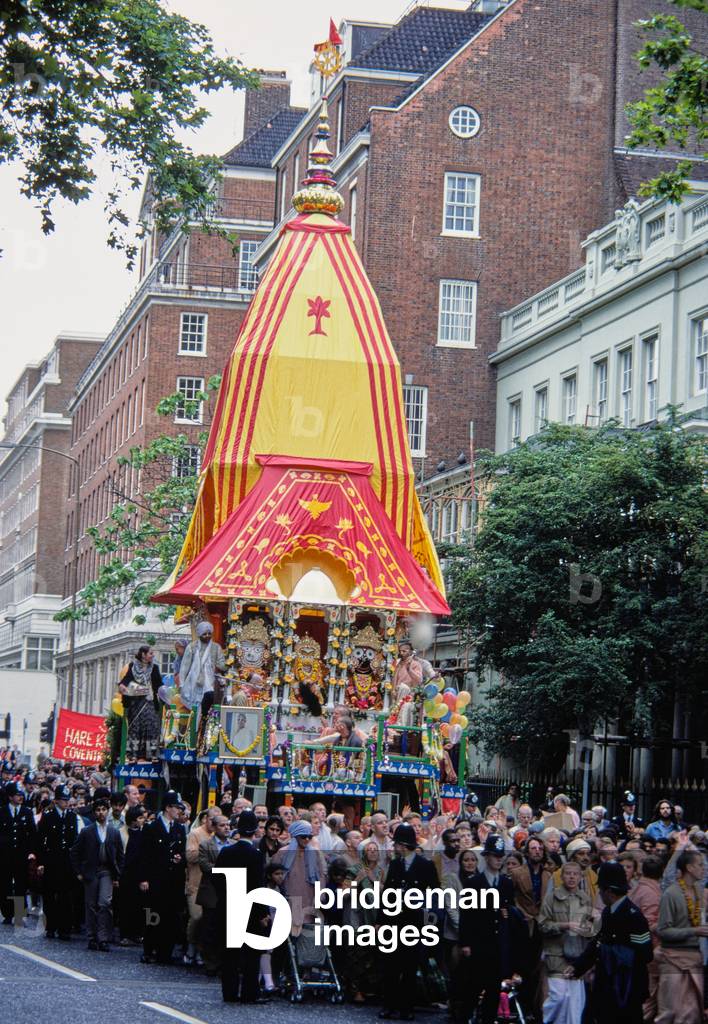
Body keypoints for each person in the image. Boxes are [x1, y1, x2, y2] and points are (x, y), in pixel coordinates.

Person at [569, 861, 652, 1024]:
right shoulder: (608, 912)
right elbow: (597, 942)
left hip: (627, 988)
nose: (599, 893)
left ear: (609, 892)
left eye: (600, 890)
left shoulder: (634, 916)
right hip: (608, 986)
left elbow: (645, 954)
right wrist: (578, 966)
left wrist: (615, 955)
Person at [378, 822, 439, 1021]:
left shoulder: (425, 865)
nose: (395, 848)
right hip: (394, 922)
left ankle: (406, 1007)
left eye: (397, 844)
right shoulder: (395, 865)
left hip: (414, 923)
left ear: (403, 845)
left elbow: (434, 895)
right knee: (391, 966)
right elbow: (387, 893)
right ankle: (389, 1005)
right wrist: (381, 919)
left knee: (410, 967)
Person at [212, 810, 268, 1004]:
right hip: (250, 908)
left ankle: (229, 992)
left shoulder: (226, 852)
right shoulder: (256, 855)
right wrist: (263, 913)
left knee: (230, 954)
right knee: (251, 955)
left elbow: (217, 878)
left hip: (228, 906)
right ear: (254, 831)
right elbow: (258, 884)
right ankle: (249, 993)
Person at [538, 861, 597, 1023]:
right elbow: (542, 925)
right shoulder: (551, 898)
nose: (572, 877)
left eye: (575, 874)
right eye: (568, 873)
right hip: (555, 954)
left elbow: (591, 929)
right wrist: (564, 926)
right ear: (562, 876)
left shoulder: (585, 899)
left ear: (580, 876)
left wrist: (588, 929)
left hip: (577, 955)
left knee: (575, 1003)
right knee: (558, 997)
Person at [655, 849, 706, 1023]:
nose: (704, 868)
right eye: (700, 865)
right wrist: (694, 931)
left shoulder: (699, 891)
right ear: (689, 868)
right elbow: (663, 930)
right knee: (671, 1011)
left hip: (695, 958)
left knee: (692, 1012)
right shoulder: (671, 893)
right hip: (673, 959)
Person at [69, 796, 124, 951]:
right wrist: (79, 872)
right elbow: (74, 852)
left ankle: (104, 937)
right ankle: (92, 936)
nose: (101, 813)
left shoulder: (114, 832)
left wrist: (118, 874)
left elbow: (120, 855)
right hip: (91, 871)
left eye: (104, 810)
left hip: (107, 871)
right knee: (91, 905)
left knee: (105, 903)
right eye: (98, 810)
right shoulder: (87, 831)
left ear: (108, 811)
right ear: (94, 813)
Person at [138, 790, 186, 964]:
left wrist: (180, 858)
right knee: (153, 916)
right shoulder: (152, 828)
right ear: (167, 808)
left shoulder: (179, 829)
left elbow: (182, 851)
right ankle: (149, 949)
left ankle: (165, 951)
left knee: (170, 917)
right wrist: (143, 878)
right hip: (156, 878)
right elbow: (144, 855)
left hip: (173, 880)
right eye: (176, 807)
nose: (178, 811)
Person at [37, 783, 84, 939]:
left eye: (67, 799)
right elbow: (41, 841)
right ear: (56, 801)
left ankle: (64, 927)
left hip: (67, 861)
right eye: (63, 800)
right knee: (50, 894)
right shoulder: (48, 816)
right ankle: (51, 926)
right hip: (52, 860)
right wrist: (41, 862)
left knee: (66, 895)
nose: (66, 802)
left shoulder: (71, 816)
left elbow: (75, 840)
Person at [196, 813, 233, 977]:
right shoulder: (206, 844)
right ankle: (210, 962)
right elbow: (205, 865)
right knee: (209, 928)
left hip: (229, 891)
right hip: (211, 891)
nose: (226, 828)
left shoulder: (233, 845)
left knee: (224, 929)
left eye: (228, 825)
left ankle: (223, 961)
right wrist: (224, 871)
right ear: (214, 827)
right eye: (222, 825)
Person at [631, 854, 664, 1022]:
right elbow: (649, 923)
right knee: (649, 997)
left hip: (639, 949)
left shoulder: (638, 888)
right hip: (650, 949)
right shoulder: (652, 893)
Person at [0, 781, 37, 924]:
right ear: (10, 797)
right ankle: (7, 913)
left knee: (21, 884)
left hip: (21, 854)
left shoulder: (26, 812)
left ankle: (20, 914)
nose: (20, 797)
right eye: (17, 795)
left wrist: (32, 852)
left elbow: (32, 834)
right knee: (5, 884)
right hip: (5, 855)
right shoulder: (2, 812)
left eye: (21, 795)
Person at [119, 645, 163, 761]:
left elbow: (159, 685)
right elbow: (126, 679)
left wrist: (166, 692)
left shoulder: (155, 668)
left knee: (151, 726)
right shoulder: (132, 666)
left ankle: (152, 754)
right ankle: (132, 755)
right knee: (135, 728)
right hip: (135, 703)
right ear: (143, 655)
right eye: (150, 653)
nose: (153, 655)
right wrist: (122, 686)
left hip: (149, 702)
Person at [179, 621, 227, 712]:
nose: (207, 636)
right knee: (194, 709)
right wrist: (181, 684)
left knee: (208, 705)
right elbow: (184, 667)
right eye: (204, 634)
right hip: (193, 682)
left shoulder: (216, 647)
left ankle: (204, 722)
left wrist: (226, 664)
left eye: (209, 633)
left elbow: (222, 664)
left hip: (210, 682)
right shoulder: (192, 647)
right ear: (199, 634)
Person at [119, 804, 147, 945]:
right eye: (140, 817)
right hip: (125, 873)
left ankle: (137, 933)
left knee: (138, 905)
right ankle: (125, 934)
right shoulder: (122, 833)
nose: (143, 820)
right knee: (125, 905)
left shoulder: (144, 833)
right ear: (133, 820)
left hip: (138, 873)